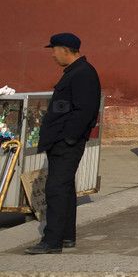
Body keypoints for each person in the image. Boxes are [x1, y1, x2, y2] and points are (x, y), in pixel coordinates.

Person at [24, 33, 101, 255]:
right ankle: (66, 236)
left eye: (54, 49)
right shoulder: (75, 72)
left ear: (65, 50)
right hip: (62, 141)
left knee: (56, 189)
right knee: (64, 188)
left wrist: (69, 137)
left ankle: (52, 241)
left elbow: (85, 110)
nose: (52, 54)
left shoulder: (83, 73)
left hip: (66, 143)